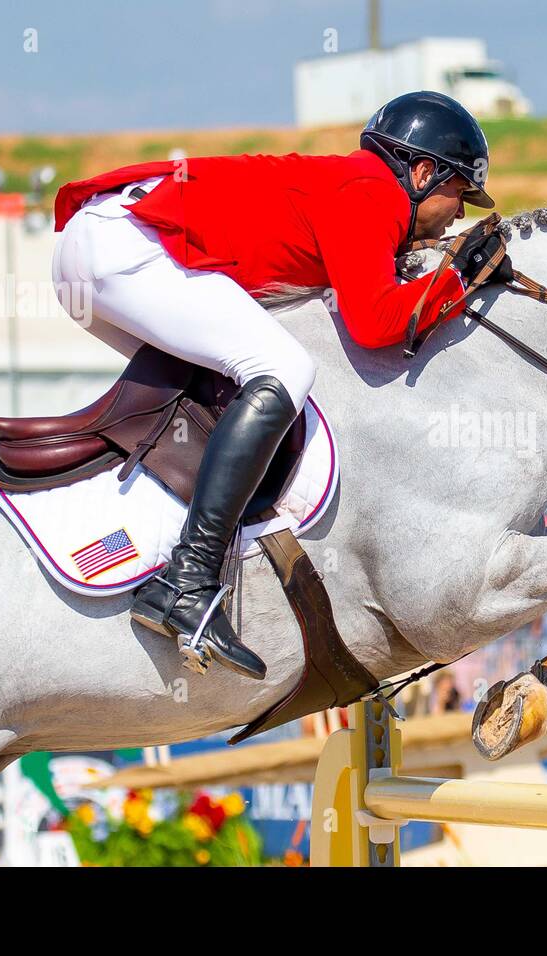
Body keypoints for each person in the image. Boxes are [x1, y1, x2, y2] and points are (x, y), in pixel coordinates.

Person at [51, 92, 509, 678]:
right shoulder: (372, 190)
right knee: (284, 369)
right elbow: (374, 326)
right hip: (125, 249)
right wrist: (457, 282)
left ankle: (151, 547)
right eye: (459, 194)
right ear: (423, 173)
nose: (460, 213)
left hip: (94, 254)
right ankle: (189, 582)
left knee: (221, 385)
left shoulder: (356, 184)